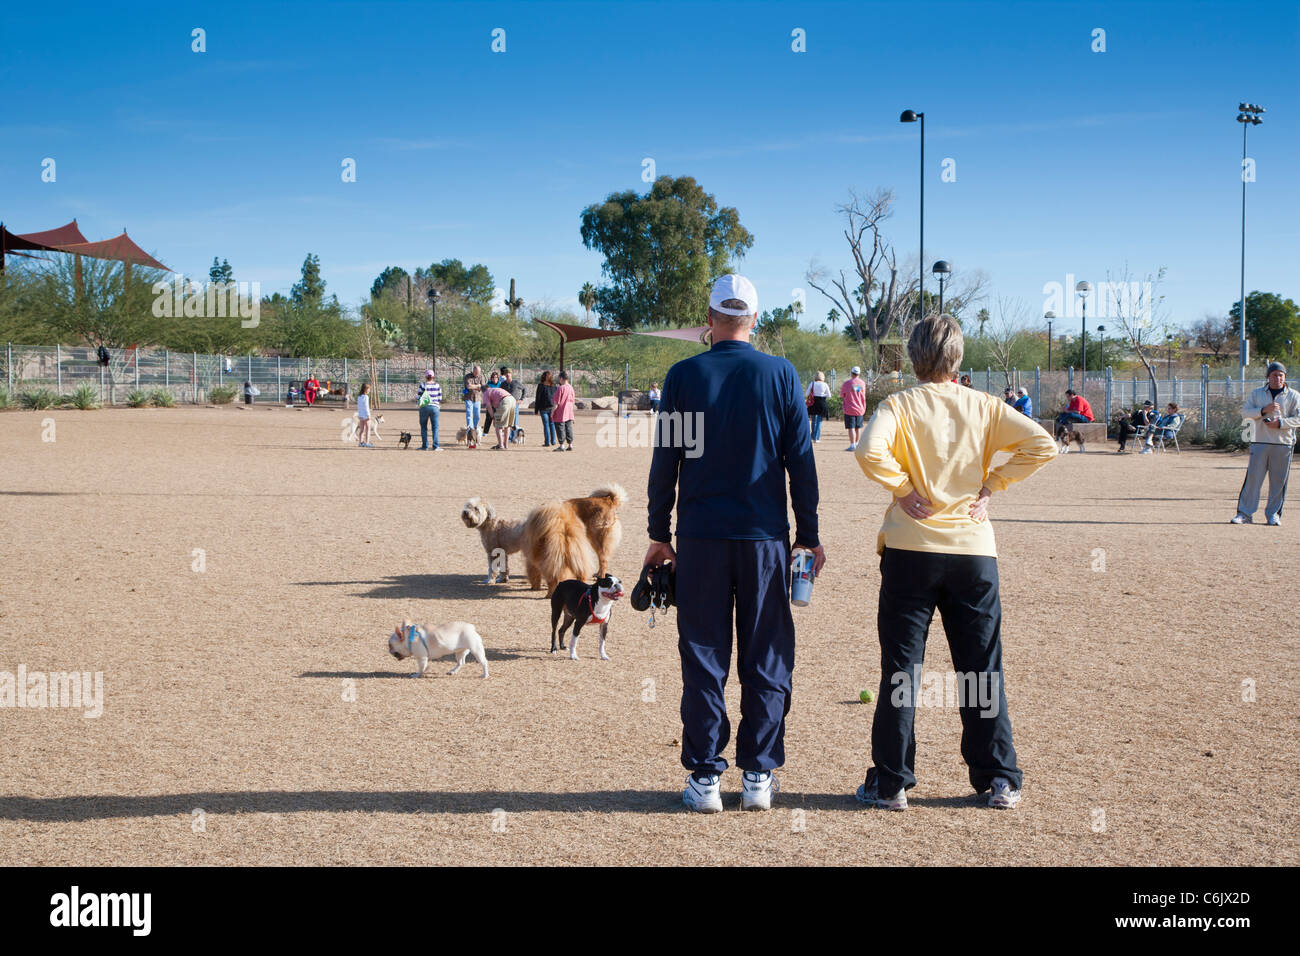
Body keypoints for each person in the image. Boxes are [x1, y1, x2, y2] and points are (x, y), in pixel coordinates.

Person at [854, 313, 1055, 811]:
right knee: (981, 668)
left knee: (902, 669)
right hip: (972, 553)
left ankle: (892, 782)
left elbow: (867, 451)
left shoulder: (899, 404)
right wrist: (992, 486)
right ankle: (1000, 779)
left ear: (914, 356)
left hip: (910, 550)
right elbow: (1042, 444)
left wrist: (903, 489)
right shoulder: (986, 407)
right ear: (958, 358)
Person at [646, 274, 825, 815]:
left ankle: (704, 777)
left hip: (700, 538)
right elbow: (801, 462)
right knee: (766, 654)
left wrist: (659, 533)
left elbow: (666, 462)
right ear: (754, 318)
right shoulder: (780, 373)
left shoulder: (683, 375)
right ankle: (757, 776)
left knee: (704, 654)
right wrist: (809, 534)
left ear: (710, 316)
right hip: (765, 539)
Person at [1232, 361, 1299, 525]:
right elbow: (1245, 413)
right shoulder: (1257, 394)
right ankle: (1245, 513)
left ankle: (1273, 514)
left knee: (1278, 481)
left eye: (1281, 375)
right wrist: (1263, 410)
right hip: (1260, 441)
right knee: (1253, 479)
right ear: (1268, 377)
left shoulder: (1294, 395)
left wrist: (1281, 424)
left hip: (1283, 444)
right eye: (1274, 375)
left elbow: (1298, 419)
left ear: (1285, 377)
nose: (1278, 378)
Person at [841, 365, 868, 451]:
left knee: (851, 428)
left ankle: (852, 445)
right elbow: (862, 395)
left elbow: (842, 395)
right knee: (858, 427)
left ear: (851, 373)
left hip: (849, 409)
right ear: (859, 374)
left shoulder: (846, 384)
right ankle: (857, 444)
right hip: (860, 408)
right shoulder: (862, 383)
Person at [482, 384, 516, 451]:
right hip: (512, 400)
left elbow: (488, 406)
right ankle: (506, 445)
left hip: (504, 402)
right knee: (507, 425)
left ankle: (501, 446)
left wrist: (493, 417)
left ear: (482, 391)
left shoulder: (486, 393)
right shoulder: (495, 389)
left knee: (498, 425)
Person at [415, 370, 442, 451]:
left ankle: (425, 446)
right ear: (433, 376)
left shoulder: (422, 385)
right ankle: (435, 446)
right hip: (435, 408)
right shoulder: (437, 385)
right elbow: (440, 398)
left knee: (424, 427)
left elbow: (419, 397)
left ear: (426, 377)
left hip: (424, 407)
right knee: (435, 427)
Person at [551, 372, 575, 452]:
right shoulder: (571, 388)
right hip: (569, 411)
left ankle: (561, 445)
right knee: (568, 427)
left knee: (560, 428)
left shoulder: (560, 388)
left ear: (561, 378)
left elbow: (556, 402)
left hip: (561, 411)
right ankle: (570, 444)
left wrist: (552, 412)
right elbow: (573, 401)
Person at [806, 371, 831, 442]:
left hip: (813, 403)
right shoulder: (825, 384)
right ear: (823, 377)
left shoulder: (812, 383)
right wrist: (822, 395)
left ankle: (812, 436)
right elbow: (829, 395)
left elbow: (807, 393)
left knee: (813, 421)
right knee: (819, 421)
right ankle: (817, 438)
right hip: (822, 403)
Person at [535, 371, 557, 447]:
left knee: (546, 425)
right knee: (552, 424)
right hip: (552, 407)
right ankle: (553, 441)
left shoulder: (541, 386)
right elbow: (556, 397)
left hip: (543, 408)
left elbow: (538, 398)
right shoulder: (554, 386)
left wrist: (536, 410)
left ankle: (547, 442)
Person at [463, 365, 484, 432]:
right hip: (469, 398)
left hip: (478, 398)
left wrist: (475, 386)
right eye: (476, 372)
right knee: (469, 414)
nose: (477, 374)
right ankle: (470, 430)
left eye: (478, 372)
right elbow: (468, 386)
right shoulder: (467, 376)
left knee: (477, 415)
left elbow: (482, 387)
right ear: (473, 371)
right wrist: (478, 386)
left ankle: (475, 427)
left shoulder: (481, 377)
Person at [355, 383, 373, 447]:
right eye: (369, 389)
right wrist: (368, 415)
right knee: (368, 429)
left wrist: (360, 414)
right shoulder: (366, 397)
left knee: (362, 430)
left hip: (360, 415)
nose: (369, 390)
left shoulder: (359, 397)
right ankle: (367, 443)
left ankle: (360, 442)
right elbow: (366, 406)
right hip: (366, 415)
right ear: (365, 389)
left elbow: (359, 406)